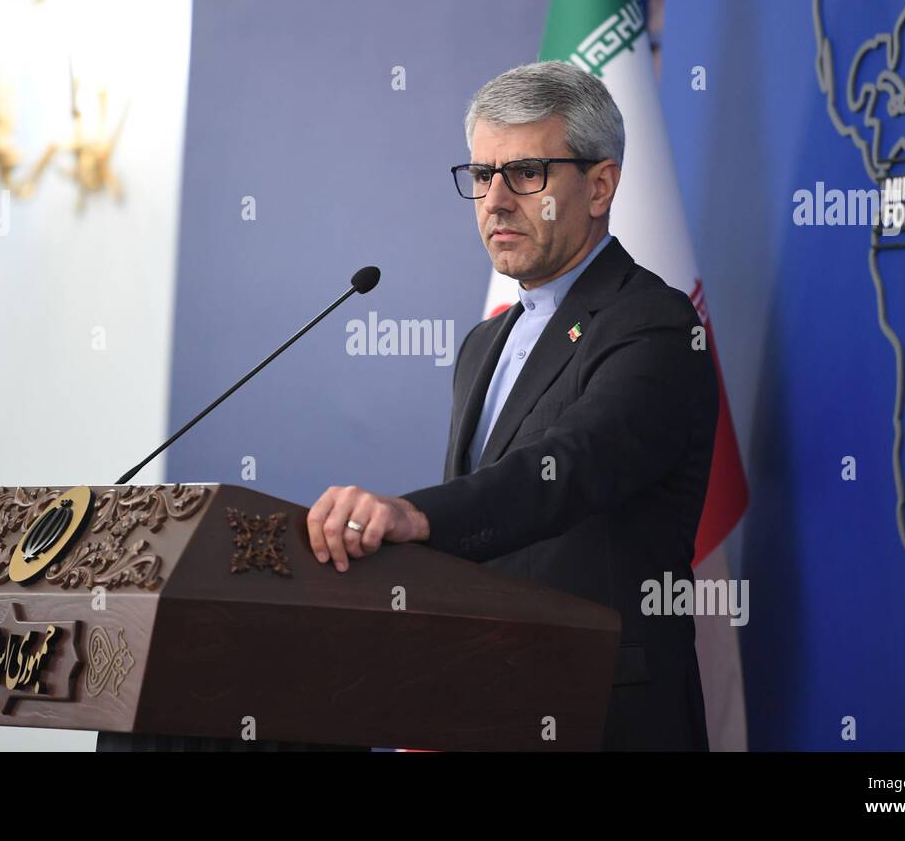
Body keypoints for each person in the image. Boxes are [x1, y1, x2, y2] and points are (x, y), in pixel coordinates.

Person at [306, 61, 717, 750]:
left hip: (602, 716)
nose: (494, 200)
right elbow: (481, 551)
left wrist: (414, 514)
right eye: (480, 175)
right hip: (484, 708)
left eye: (525, 173)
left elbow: (567, 467)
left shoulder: (657, 325)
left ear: (600, 185)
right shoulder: (482, 344)